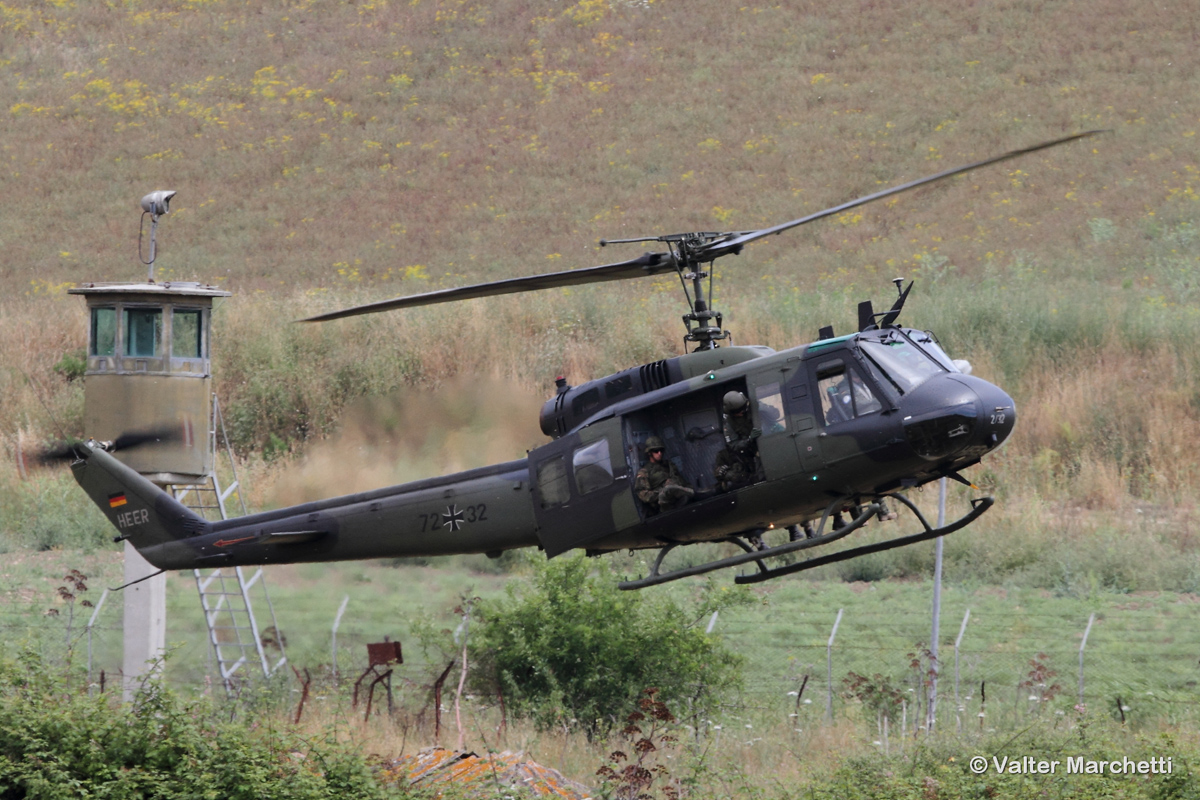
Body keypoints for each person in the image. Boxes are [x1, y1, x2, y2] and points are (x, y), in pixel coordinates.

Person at [714, 391, 761, 491]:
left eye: (743, 410)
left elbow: (775, 414)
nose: (742, 413)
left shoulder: (753, 406)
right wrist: (749, 440)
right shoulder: (729, 421)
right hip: (751, 450)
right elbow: (734, 445)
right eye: (738, 412)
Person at [634, 436, 692, 514]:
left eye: (661, 450)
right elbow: (644, 495)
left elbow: (681, 480)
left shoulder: (669, 465)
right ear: (649, 453)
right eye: (656, 451)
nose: (659, 453)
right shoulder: (644, 472)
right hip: (665, 504)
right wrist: (662, 492)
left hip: (680, 496)